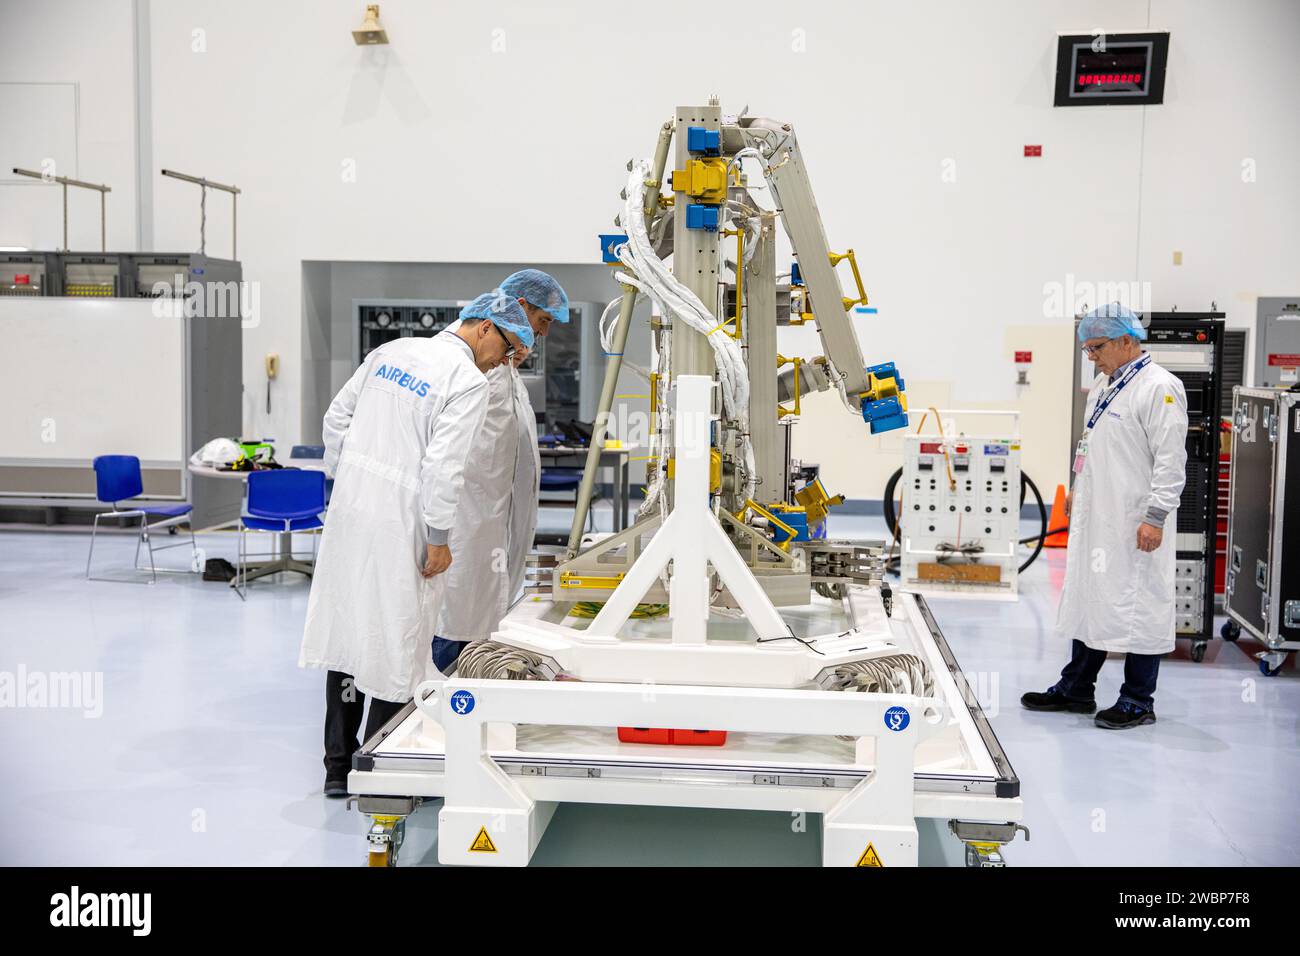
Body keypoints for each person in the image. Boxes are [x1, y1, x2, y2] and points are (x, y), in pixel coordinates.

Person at [299, 291, 535, 796]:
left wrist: (355, 485)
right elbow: (443, 468)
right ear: (485, 328)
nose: (506, 362)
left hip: (351, 518)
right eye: (510, 348)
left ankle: (336, 769)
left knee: (347, 634)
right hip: (404, 524)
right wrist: (439, 539)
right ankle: (377, 763)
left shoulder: (391, 352)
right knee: (400, 641)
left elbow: (335, 422)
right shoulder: (466, 380)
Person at [1022, 302, 1188, 729]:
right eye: (1086, 349)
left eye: (1095, 347)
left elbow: (1171, 462)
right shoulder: (1104, 385)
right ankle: (1077, 688)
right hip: (1098, 516)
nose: (1090, 356)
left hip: (1136, 520)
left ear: (1127, 341)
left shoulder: (1159, 388)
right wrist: (1077, 487)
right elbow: (1089, 443)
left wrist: (1155, 515)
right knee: (1091, 597)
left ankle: (1137, 700)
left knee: (1141, 604)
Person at [432, 270, 570, 673]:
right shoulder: (465, 366)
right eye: (542, 321)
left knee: (479, 618)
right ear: (521, 308)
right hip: (467, 526)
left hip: (492, 525)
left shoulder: (502, 366)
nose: (542, 334)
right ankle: (440, 706)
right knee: (456, 620)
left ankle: (469, 692)